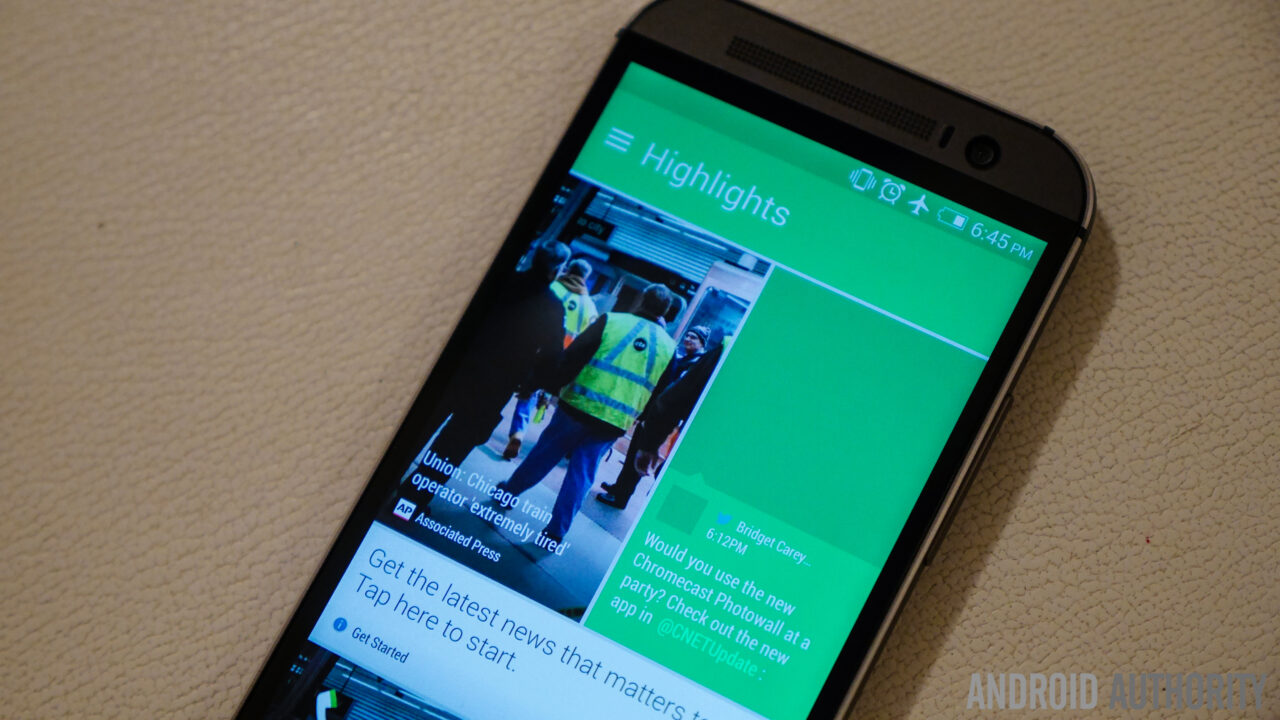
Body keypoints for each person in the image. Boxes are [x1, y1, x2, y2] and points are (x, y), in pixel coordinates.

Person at [496, 283, 676, 543]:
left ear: (642, 300)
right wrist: (638, 417)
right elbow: (660, 394)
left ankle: (508, 494)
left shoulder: (611, 321)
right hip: (614, 422)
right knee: (582, 474)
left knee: (543, 456)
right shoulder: (669, 348)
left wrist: (550, 386)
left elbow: (573, 357)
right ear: (665, 311)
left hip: (577, 406)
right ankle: (555, 532)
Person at [402, 241, 570, 512]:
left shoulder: (500, 281)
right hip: (495, 386)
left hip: (457, 368)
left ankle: (384, 477)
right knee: (453, 446)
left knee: (419, 426)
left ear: (534, 258)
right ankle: (412, 498)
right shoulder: (552, 307)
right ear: (557, 270)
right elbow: (552, 356)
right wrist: (531, 383)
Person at [597, 327, 722, 509]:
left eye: (693, 337)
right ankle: (618, 488)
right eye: (687, 335)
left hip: (663, 420)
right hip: (652, 413)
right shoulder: (681, 359)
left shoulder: (698, 364)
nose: (688, 339)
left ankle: (621, 497)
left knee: (640, 456)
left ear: (702, 343)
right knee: (633, 452)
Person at [503, 259, 599, 460]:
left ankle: (509, 426)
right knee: (534, 393)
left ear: (568, 270)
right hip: (559, 360)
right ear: (586, 278)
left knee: (517, 388)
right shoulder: (589, 306)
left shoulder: (553, 288)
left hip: (534, 349)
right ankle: (524, 435)